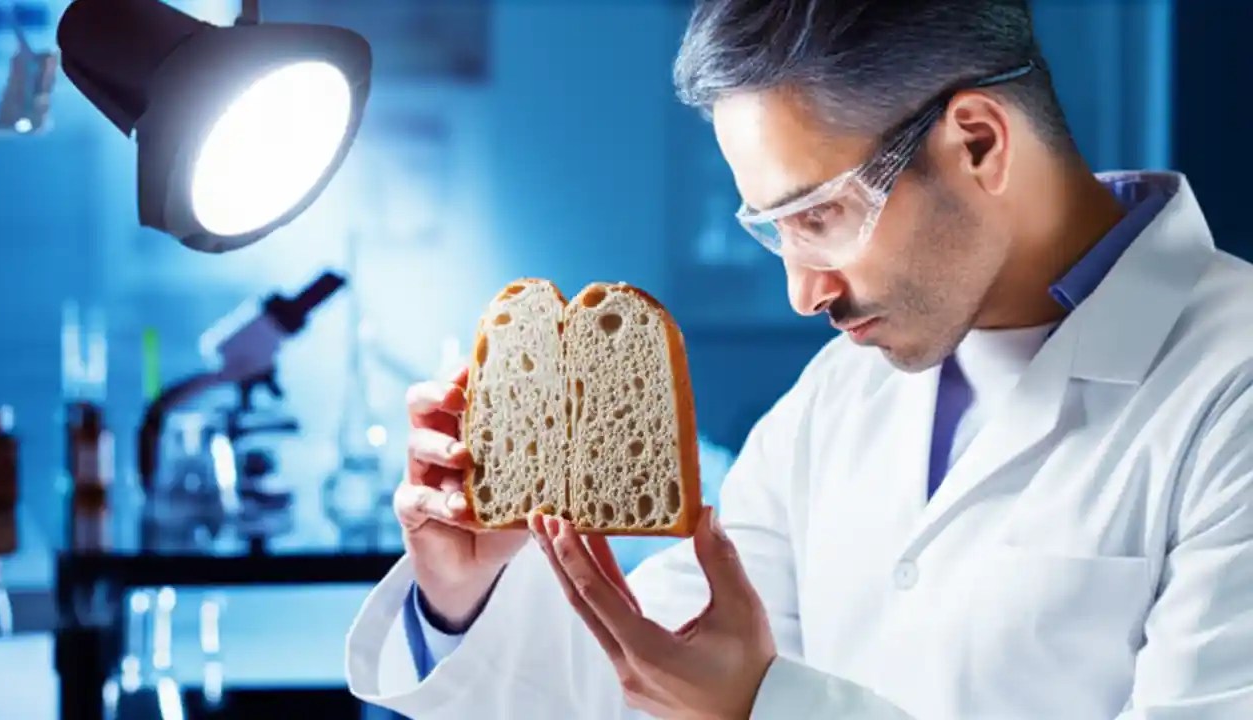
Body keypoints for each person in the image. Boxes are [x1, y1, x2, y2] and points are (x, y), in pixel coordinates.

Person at [346, 1, 1253, 718]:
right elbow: (650, 687)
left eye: (821, 218)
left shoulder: (1230, 387)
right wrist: (459, 600)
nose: (804, 294)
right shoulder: (841, 393)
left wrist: (765, 708)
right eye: (773, 231)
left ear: (977, 141)